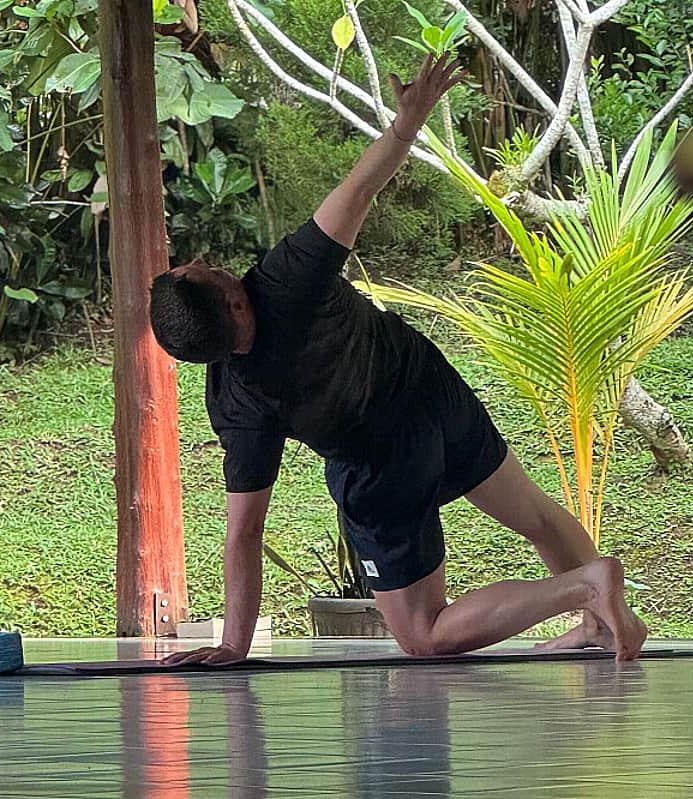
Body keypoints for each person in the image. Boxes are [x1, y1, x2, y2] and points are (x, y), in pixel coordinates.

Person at [149, 55, 648, 665]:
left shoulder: (239, 400)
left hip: (384, 464)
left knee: (423, 634)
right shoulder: (286, 278)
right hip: (431, 393)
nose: (202, 257)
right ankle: (597, 612)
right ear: (230, 297)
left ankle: (585, 590)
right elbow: (359, 188)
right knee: (540, 517)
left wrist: (233, 643)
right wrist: (407, 123)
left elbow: (244, 530)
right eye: (196, 266)